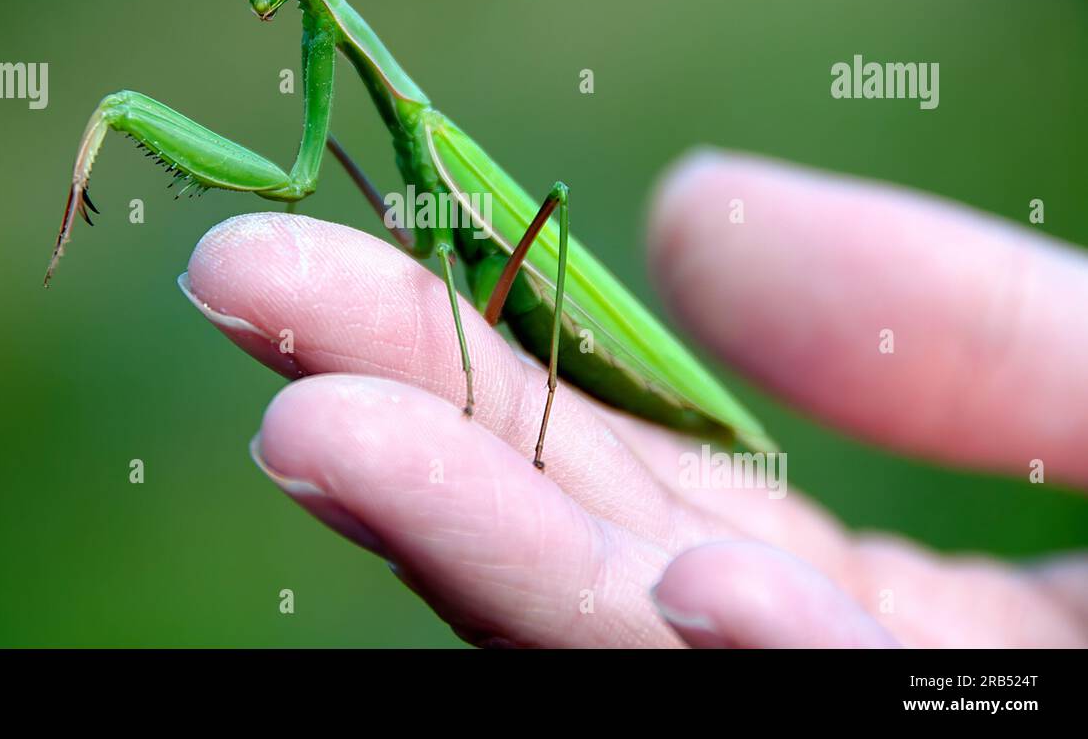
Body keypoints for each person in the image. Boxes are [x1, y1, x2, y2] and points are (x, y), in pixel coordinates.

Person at [179, 149, 1088, 647]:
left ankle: (530, 412)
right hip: (502, 300)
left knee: (547, 203)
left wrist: (506, 397)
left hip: (562, 326)